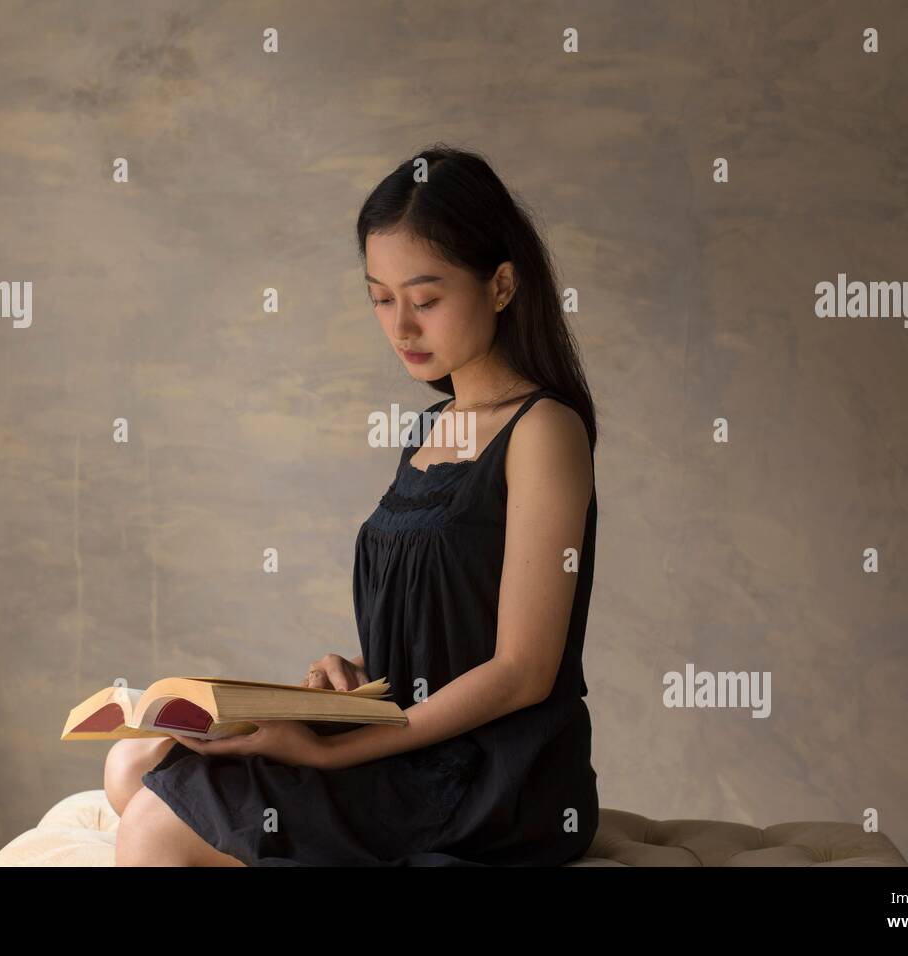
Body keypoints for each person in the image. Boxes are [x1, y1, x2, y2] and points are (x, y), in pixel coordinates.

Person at [106, 144, 600, 866]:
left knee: (152, 825)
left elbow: (522, 669)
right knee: (131, 763)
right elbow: (452, 624)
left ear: (500, 285)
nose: (401, 327)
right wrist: (353, 680)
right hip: (406, 730)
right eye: (380, 297)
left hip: (491, 778)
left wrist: (333, 753)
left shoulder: (543, 431)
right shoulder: (434, 431)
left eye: (426, 299)